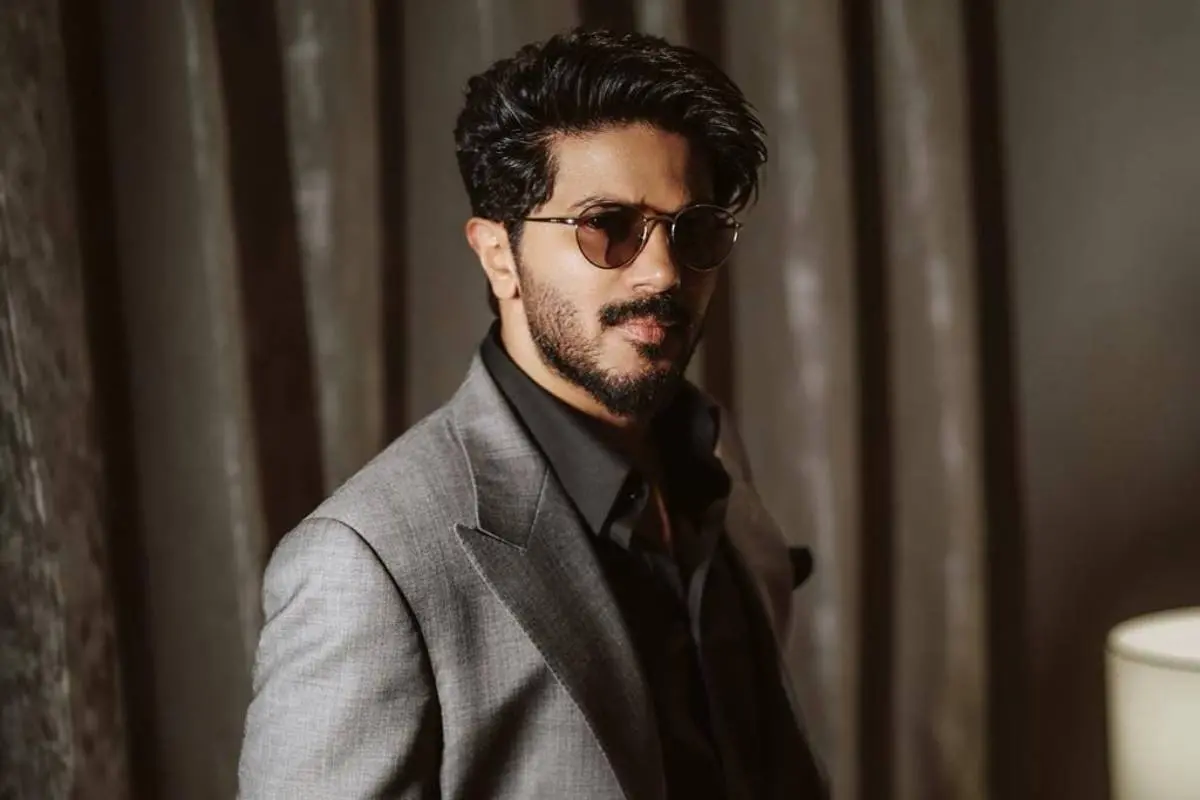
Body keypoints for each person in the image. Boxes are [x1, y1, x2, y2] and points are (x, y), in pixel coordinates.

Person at [238, 28, 826, 800]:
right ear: (498, 256)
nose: (662, 272)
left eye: (695, 230)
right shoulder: (364, 565)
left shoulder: (713, 461)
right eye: (606, 226)